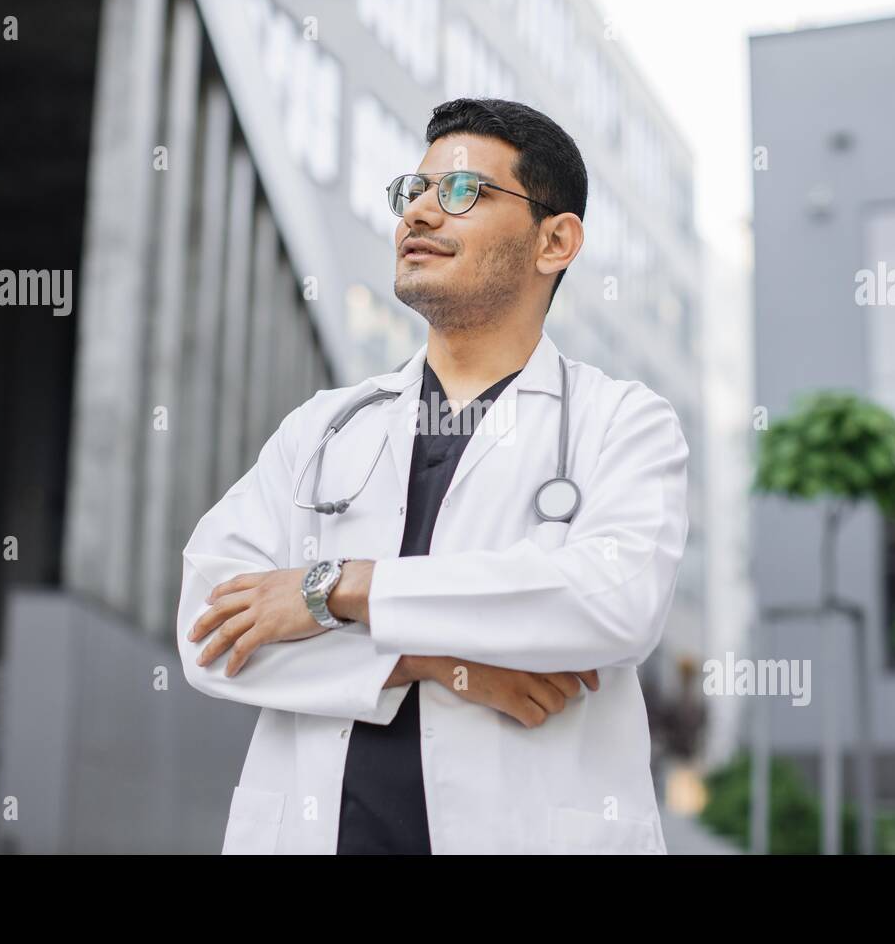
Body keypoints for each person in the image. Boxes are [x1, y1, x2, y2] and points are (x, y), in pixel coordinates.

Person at [177, 97, 690, 854]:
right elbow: (210, 631)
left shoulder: (622, 423)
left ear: (556, 240)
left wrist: (333, 588)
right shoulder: (323, 428)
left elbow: (611, 604)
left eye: (460, 193)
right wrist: (430, 661)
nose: (418, 214)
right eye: (411, 192)